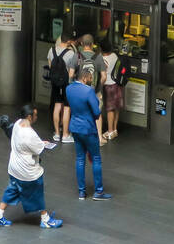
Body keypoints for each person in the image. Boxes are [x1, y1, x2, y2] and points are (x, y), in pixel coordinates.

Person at [0, 105, 63, 229]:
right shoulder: (30, 134)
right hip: (27, 172)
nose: (37, 117)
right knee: (37, 193)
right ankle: (45, 220)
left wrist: (39, 143)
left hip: (14, 168)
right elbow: (38, 150)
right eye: (35, 115)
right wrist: (42, 144)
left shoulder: (18, 124)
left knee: (12, 190)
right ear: (30, 117)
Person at [66, 64, 111, 200]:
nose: (92, 80)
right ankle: (98, 192)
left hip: (75, 127)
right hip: (88, 129)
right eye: (90, 78)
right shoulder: (88, 91)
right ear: (85, 78)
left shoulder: (69, 88)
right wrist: (97, 102)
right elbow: (97, 112)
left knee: (80, 159)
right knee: (96, 158)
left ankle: (81, 192)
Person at [47, 32, 77, 143]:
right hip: (66, 84)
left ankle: (56, 133)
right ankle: (65, 135)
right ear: (69, 41)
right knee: (67, 108)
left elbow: (50, 66)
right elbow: (71, 73)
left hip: (55, 83)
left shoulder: (51, 50)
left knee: (57, 106)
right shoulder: (71, 53)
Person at [100, 41, 122, 142]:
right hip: (116, 84)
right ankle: (114, 129)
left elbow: (101, 74)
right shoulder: (114, 55)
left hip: (108, 85)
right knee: (116, 107)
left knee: (109, 109)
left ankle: (109, 131)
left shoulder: (102, 59)